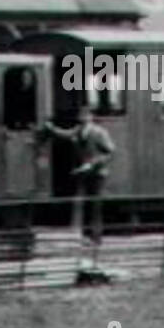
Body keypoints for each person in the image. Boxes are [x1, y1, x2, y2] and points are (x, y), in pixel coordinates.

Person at [42, 105, 116, 245]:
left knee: (95, 206)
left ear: (90, 118)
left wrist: (93, 163)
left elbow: (110, 151)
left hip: (97, 174)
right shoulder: (79, 131)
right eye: (81, 117)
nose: (82, 119)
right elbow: (65, 134)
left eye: (84, 117)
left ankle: (96, 237)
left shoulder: (99, 133)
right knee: (87, 205)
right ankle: (86, 235)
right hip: (85, 173)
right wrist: (51, 129)